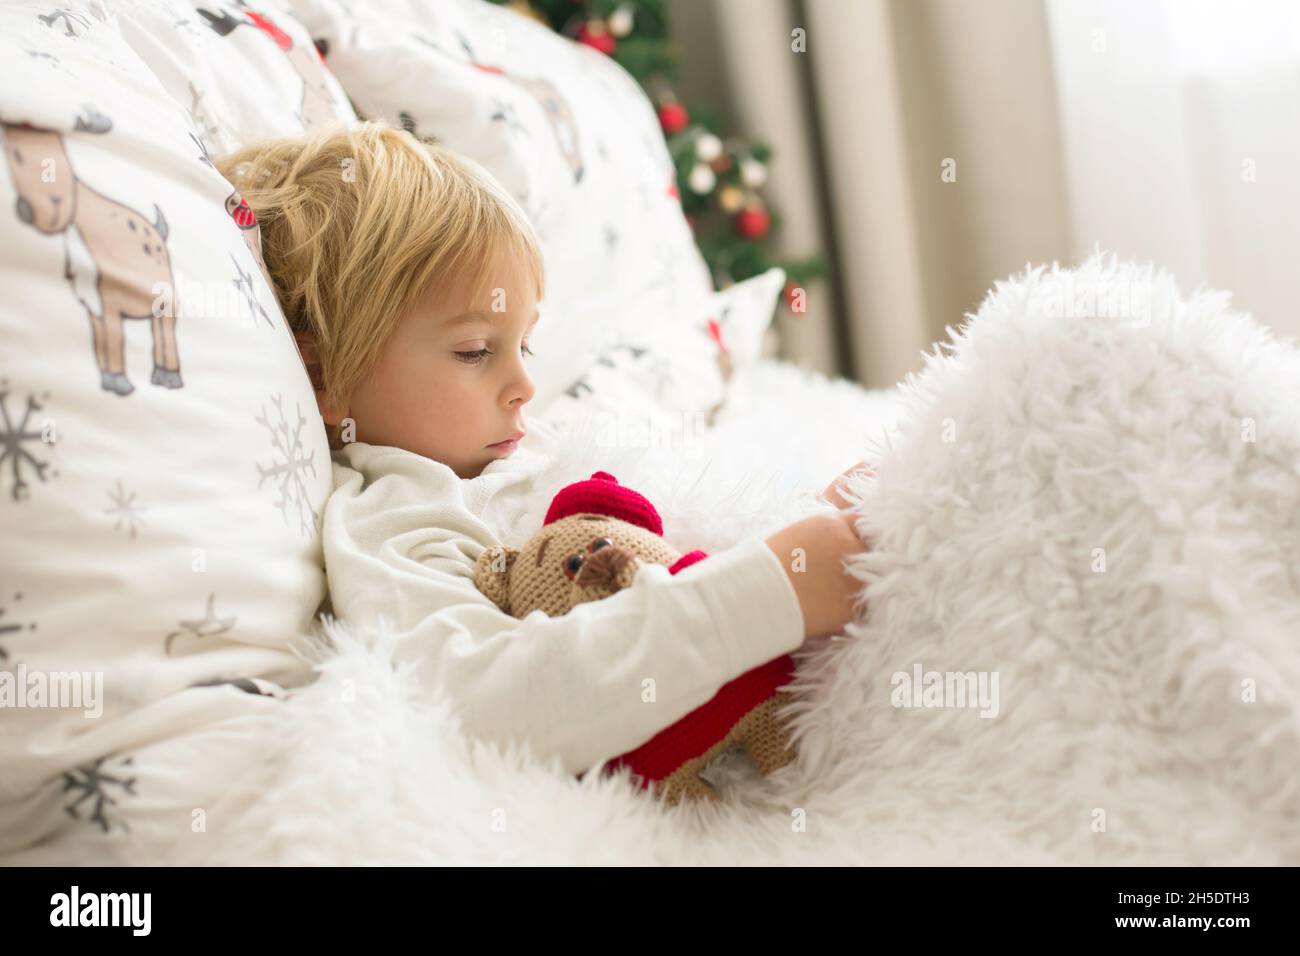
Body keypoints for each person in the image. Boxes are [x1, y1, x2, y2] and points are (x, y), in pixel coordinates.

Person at [214, 119, 867, 779]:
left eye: (525, 345)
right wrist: (769, 591)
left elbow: (672, 555)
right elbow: (494, 702)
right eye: (475, 351)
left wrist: (806, 531)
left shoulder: (520, 454)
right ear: (329, 378)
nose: (525, 385)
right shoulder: (396, 517)